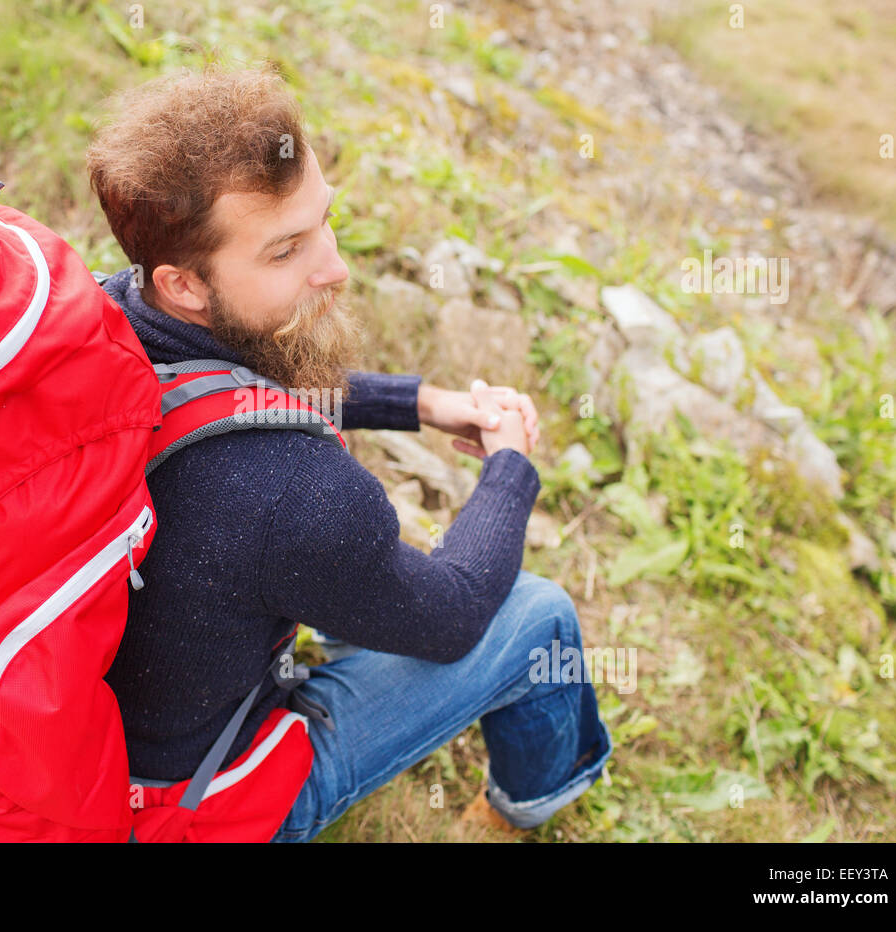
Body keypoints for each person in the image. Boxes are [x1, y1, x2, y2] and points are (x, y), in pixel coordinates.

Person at [85, 62, 612, 842]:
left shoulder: (103, 316)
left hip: (84, 744)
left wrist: (421, 404)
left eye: (324, 220)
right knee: (539, 617)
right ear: (186, 285)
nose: (334, 267)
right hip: (187, 806)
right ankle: (527, 809)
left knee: (322, 577)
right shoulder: (296, 496)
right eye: (285, 251)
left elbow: (237, 388)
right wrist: (509, 468)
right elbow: (457, 613)